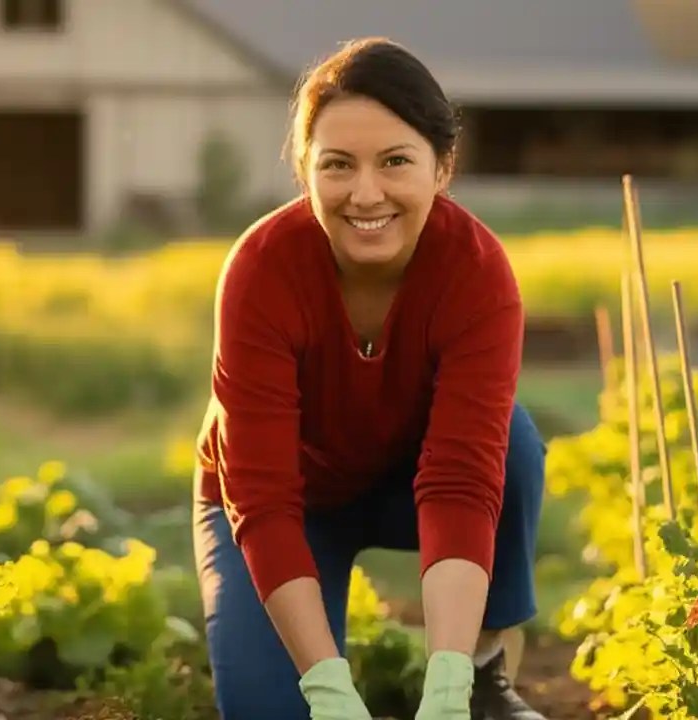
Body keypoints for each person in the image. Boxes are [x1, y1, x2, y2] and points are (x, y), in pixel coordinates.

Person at [191, 36, 549, 720]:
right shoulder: (261, 271)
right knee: (272, 710)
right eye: (337, 165)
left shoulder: (476, 273)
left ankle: (478, 672)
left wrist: (445, 681)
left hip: (408, 485)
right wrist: (327, 687)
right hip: (283, 502)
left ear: (442, 167)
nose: (365, 194)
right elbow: (263, 498)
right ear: (304, 170)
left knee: (513, 446)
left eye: (394, 162)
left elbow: (460, 480)